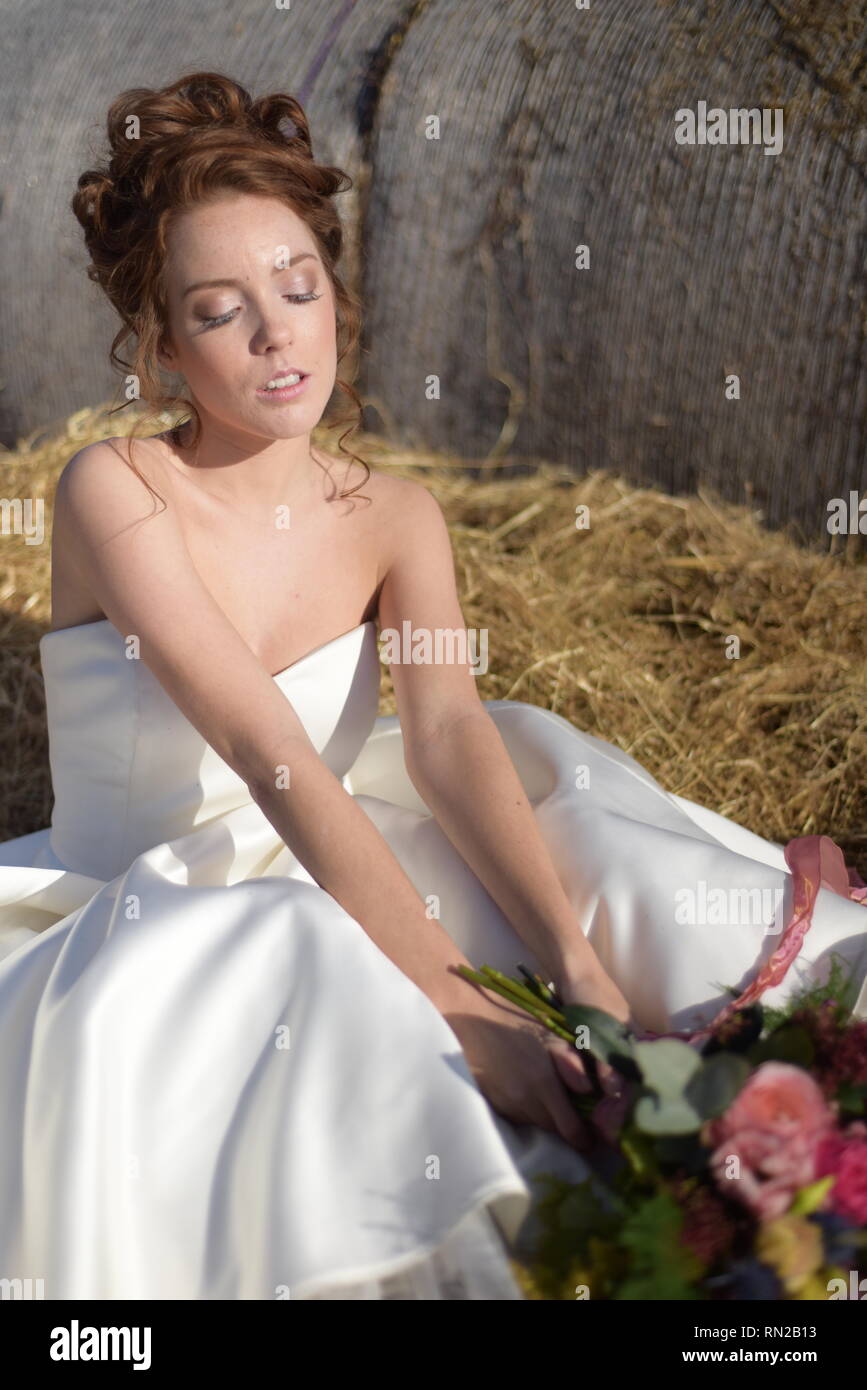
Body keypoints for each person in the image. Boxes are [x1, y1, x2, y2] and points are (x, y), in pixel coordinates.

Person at [0, 71, 864, 1301]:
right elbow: (269, 755)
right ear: (161, 349)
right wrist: (467, 1007)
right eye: (220, 310)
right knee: (304, 947)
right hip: (160, 900)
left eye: (299, 287)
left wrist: (575, 970)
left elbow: (447, 734)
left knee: (567, 812)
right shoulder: (116, 487)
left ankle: (774, 1119)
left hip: (340, 841)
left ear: (336, 296)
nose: (276, 333)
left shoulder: (397, 514)